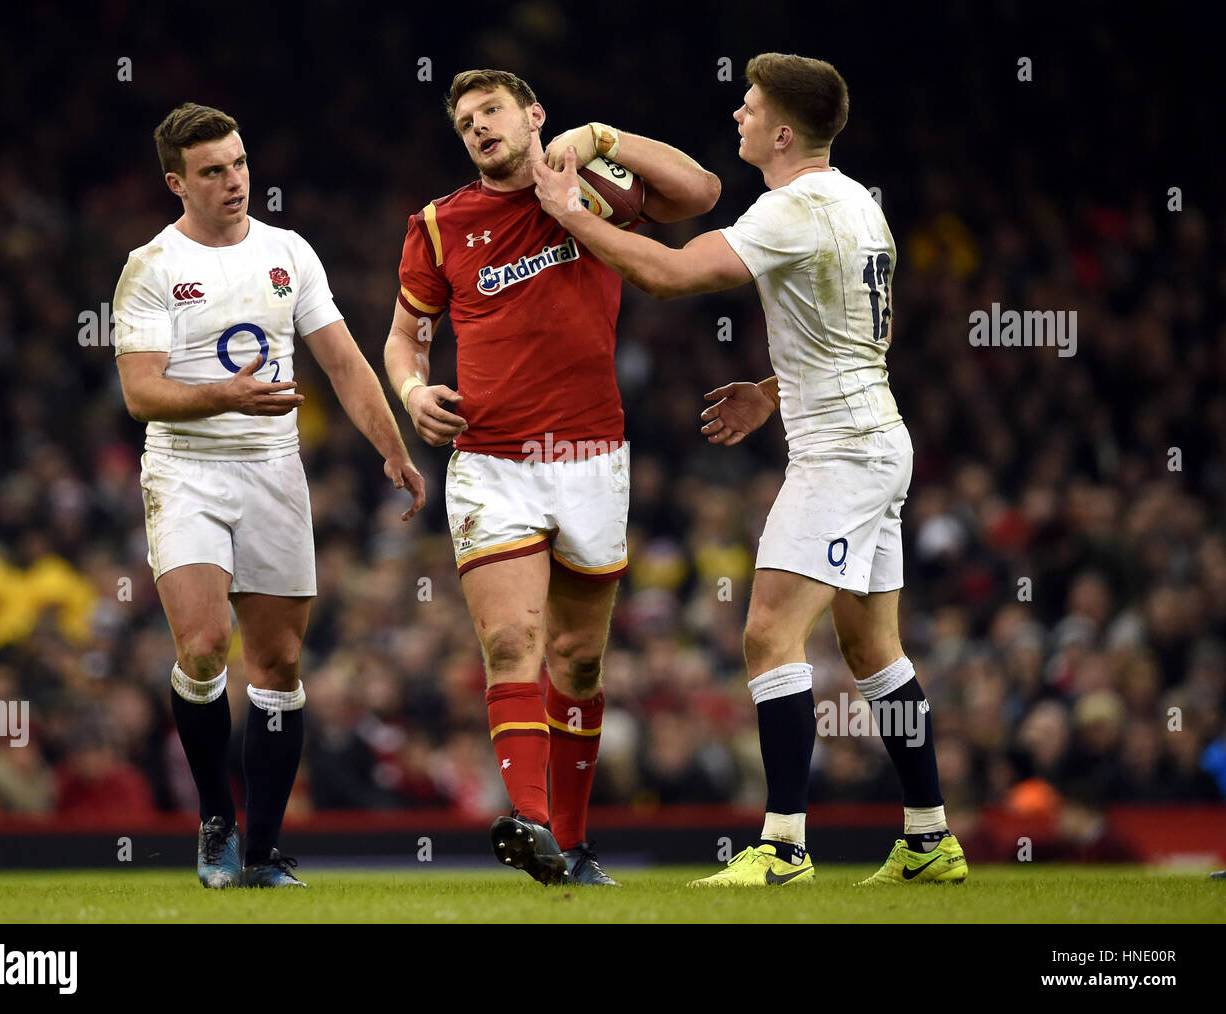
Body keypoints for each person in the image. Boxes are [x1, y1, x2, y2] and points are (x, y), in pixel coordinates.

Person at [533, 53, 967, 886]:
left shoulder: (793, 206)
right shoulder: (858, 205)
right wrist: (775, 389)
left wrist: (571, 215)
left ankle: (784, 848)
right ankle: (928, 837)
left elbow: (668, 275)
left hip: (841, 450)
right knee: (874, 650)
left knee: (768, 632)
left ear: (780, 131)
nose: (736, 115)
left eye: (748, 105)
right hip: (876, 435)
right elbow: (855, 332)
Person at [384, 69, 720, 885]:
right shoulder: (437, 225)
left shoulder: (593, 187)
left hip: (591, 456)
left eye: (491, 110)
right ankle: (531, 825)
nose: (476, 127)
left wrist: (605, 136)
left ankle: (569, 846)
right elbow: (403, 339)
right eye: (464, 121)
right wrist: (412, 392)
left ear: (534, 116)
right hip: (493, 461)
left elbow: (702, 193)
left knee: (578, 662)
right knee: (511, 642)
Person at [114, 103, 425, 888]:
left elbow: (345, 363)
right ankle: (216, 818)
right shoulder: (150, 266)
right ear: (176, 182)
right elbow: (141, 393)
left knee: (280, 663)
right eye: (213, 171)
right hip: (186, 469)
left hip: (273, 471)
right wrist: (224, 396)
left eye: (240, 164)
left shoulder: (289, 252)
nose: (234, 182)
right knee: (204, 645)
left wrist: (395, 450)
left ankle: (264, 850)